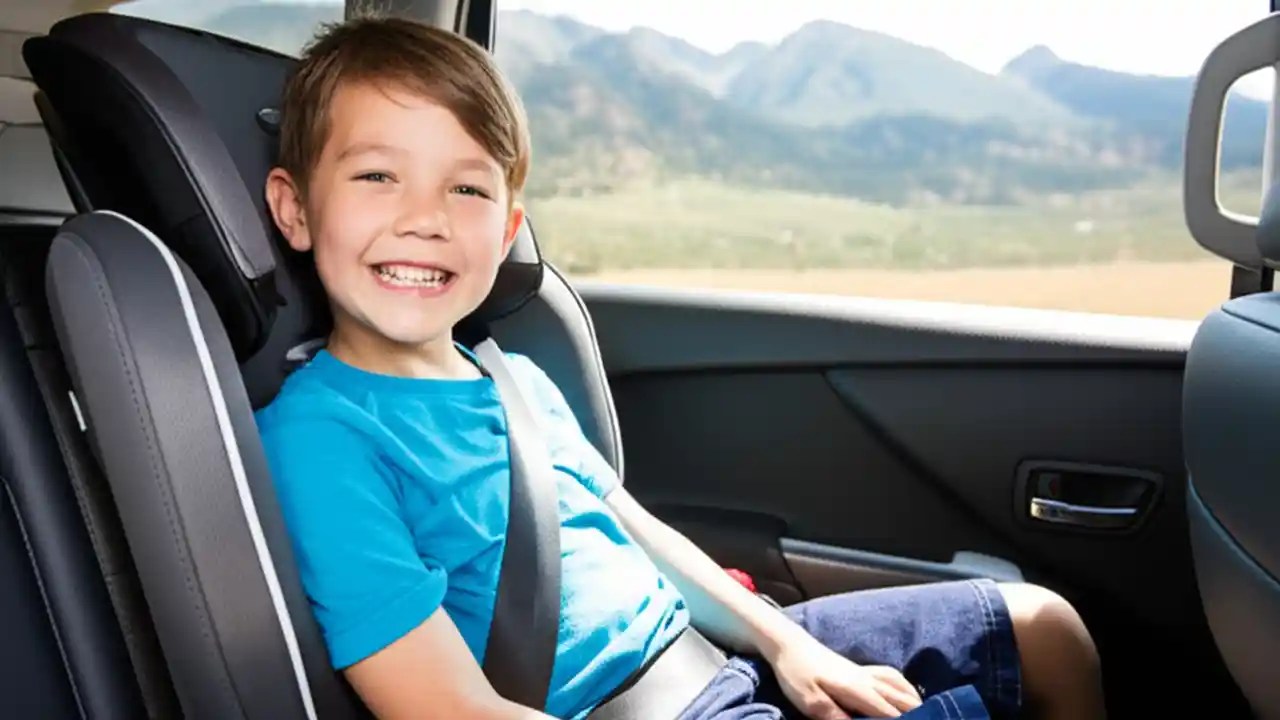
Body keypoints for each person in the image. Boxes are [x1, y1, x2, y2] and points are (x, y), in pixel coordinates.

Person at [255, 15, 1105, 720]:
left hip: (711, 664)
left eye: (466, 190)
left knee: (1044, 629)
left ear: (508, 230)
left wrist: (785, 641)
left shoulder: (510, 378)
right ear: (294, 210)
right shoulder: (320, 438)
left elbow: (633, 529)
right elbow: (448, 710)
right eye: (377, 176)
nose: (424, 220)